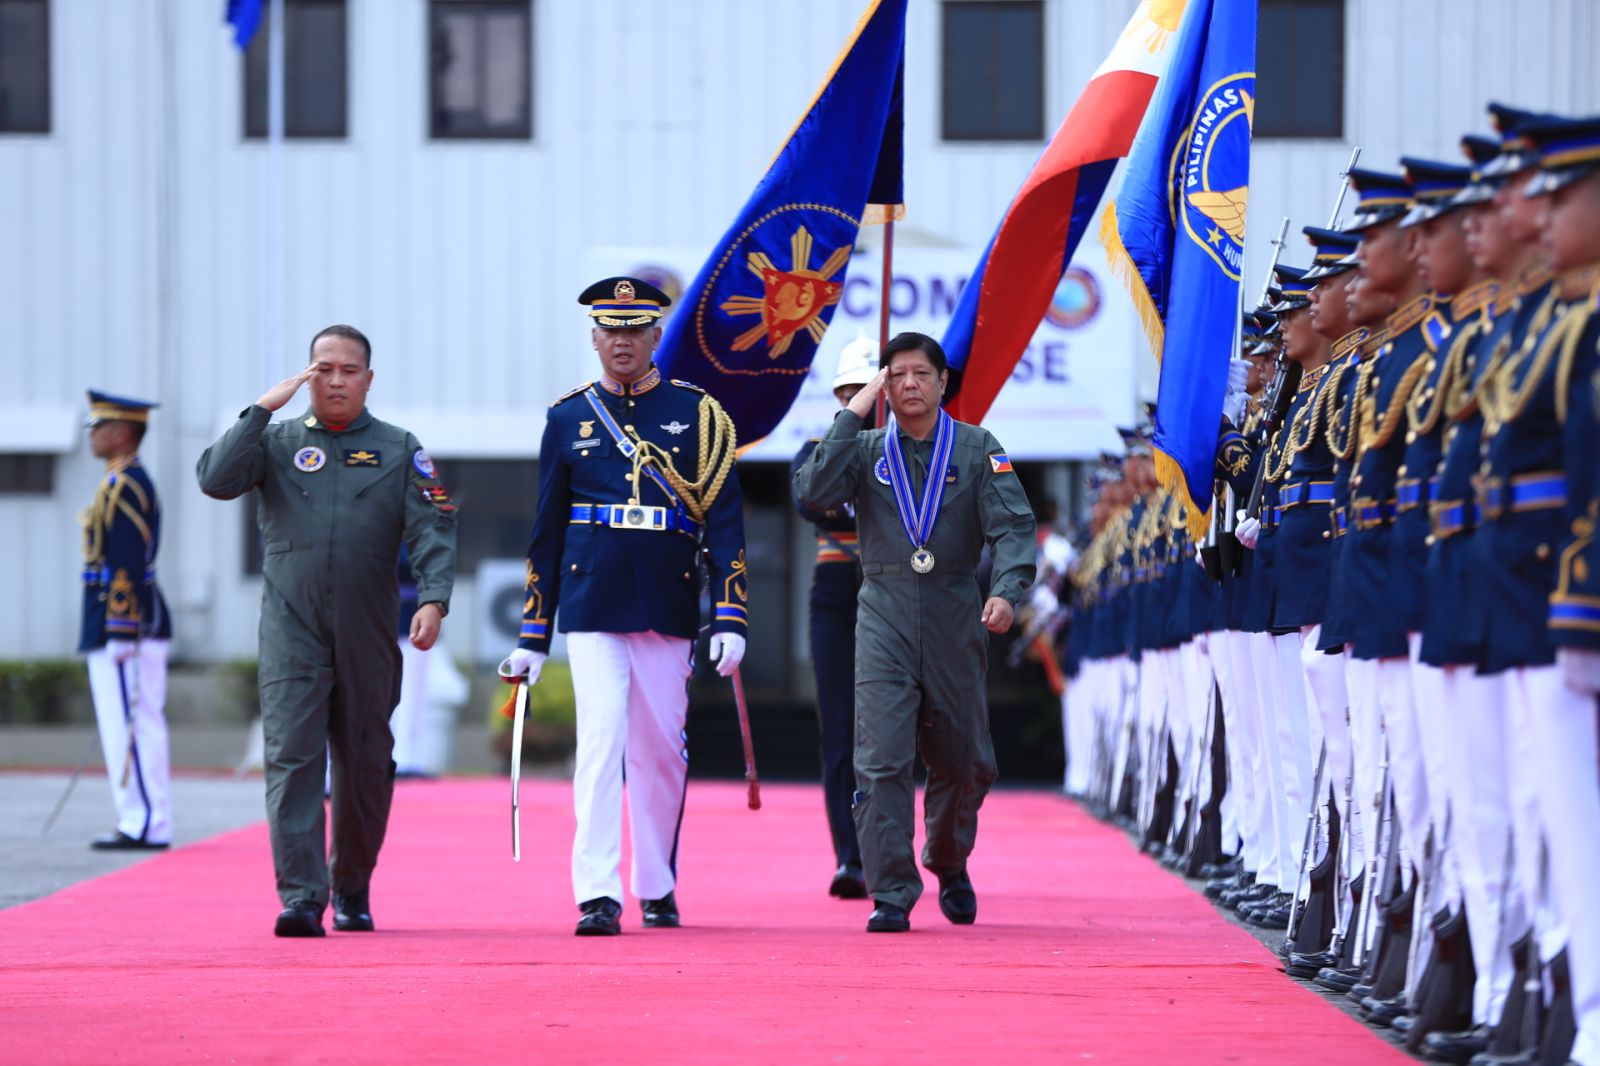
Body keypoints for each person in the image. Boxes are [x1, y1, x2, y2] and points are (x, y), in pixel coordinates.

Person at [500, 276, 747, 937]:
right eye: (611, 330)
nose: (622, 341)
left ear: (656, 336)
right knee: (601, 741)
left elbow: (725, 524)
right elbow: (546, 532)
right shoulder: (568, 418)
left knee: (661, 752)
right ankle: (597, 893)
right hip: (592, 597)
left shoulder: (698, 415)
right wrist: (533, 633)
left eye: (635, 330)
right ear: (594, 338)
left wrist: (731, 615)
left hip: (667, 596)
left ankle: (656, 884)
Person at [196, 325, 457, 938]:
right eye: (324, 368)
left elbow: (433, 526)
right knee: (293, 758)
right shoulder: (276, 441)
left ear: (368, 379)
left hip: (369, 627)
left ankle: (352, 888)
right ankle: (301, 897)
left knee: (366, 761)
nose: (335, 380)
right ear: (308, 374)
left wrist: (435, 599)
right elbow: (215, 480)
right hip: (292, 626)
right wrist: (261, 410)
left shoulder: (398, 447)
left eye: (348, 370)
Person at [793, 330, 1036, 933]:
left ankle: (948, 860)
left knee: (965, 760)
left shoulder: (977, 448)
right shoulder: (865, 447)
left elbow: (1012, 527)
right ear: (883, 384)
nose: (909, 385)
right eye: (896, 375)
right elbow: (814, 490)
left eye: (921, 374)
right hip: (883, 611)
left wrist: (1006, 591)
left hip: (955, 609)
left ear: (942, 382)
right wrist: (854, 410)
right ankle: (892, 890)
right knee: (880, 759)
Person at [790, 335, 876, 901]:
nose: (862, 400)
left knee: (895, 728)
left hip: (894, 590)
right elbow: (810, 500)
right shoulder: (814, 453)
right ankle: (850, 855)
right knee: (840, 727)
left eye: (871, 390)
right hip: (838, 590)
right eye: (853, 391)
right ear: (841, 396)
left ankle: (892, 846)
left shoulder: (913, 454)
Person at [79, 390, 173, 851]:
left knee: (133, 725)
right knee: (124, 725)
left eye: (98, 427)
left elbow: (127, 560)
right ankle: (139, 817)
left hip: (129, 624)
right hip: (118, 620)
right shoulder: (117, 481)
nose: (92, 435)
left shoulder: (128, 485)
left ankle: (145, 821)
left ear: (120, 433)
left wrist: (120, 627)